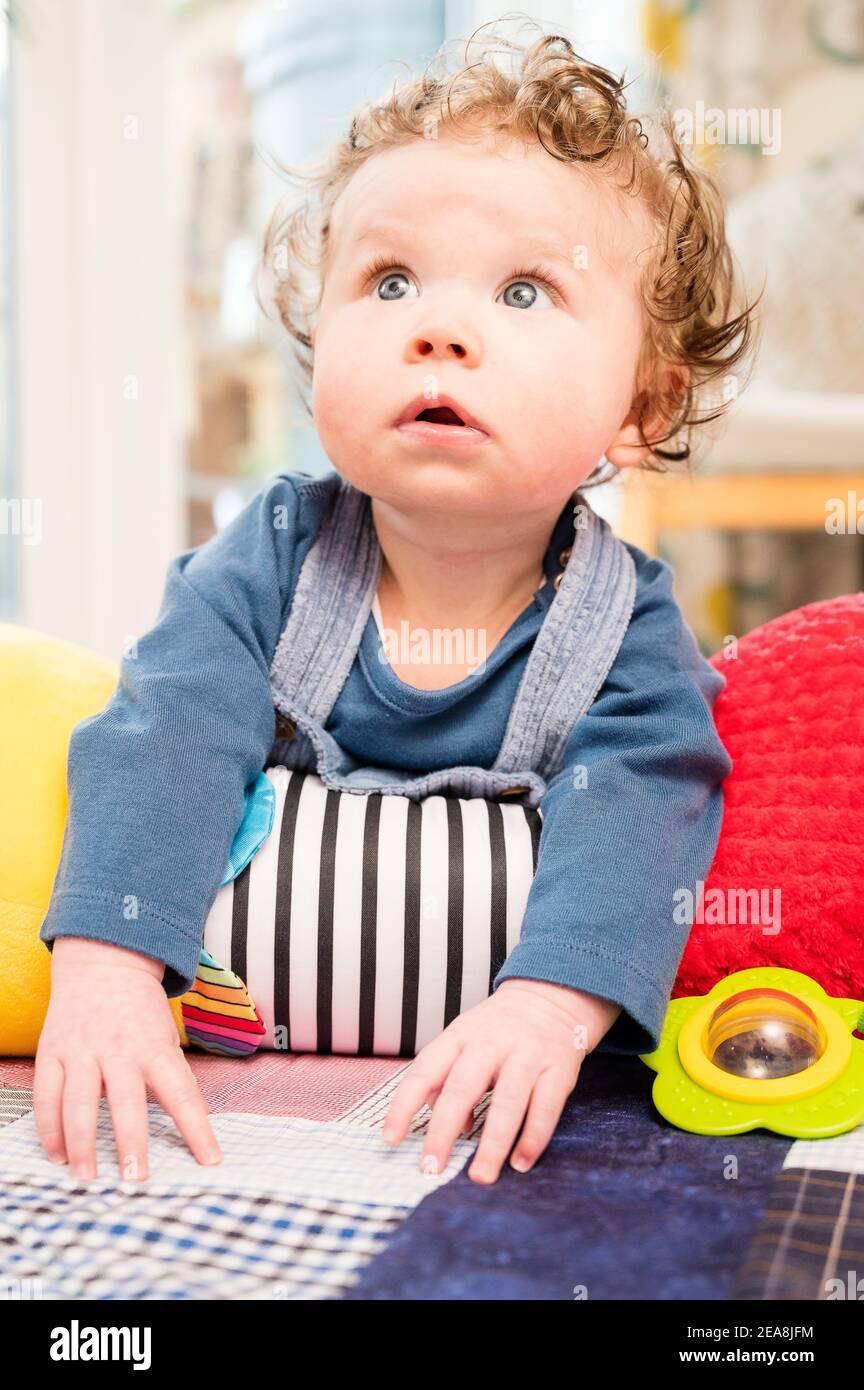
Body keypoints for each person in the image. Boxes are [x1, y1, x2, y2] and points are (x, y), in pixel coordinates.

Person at [35, 24, 756, 1187]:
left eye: (524, 289)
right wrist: (110, 968)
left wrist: (548, 1010)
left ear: (645, 406)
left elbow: (643, 803)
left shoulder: (623, 626)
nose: (439, 326)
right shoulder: (276, 553)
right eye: (389, 280)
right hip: (250, 1039)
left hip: (451, 1049)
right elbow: (165, 729)